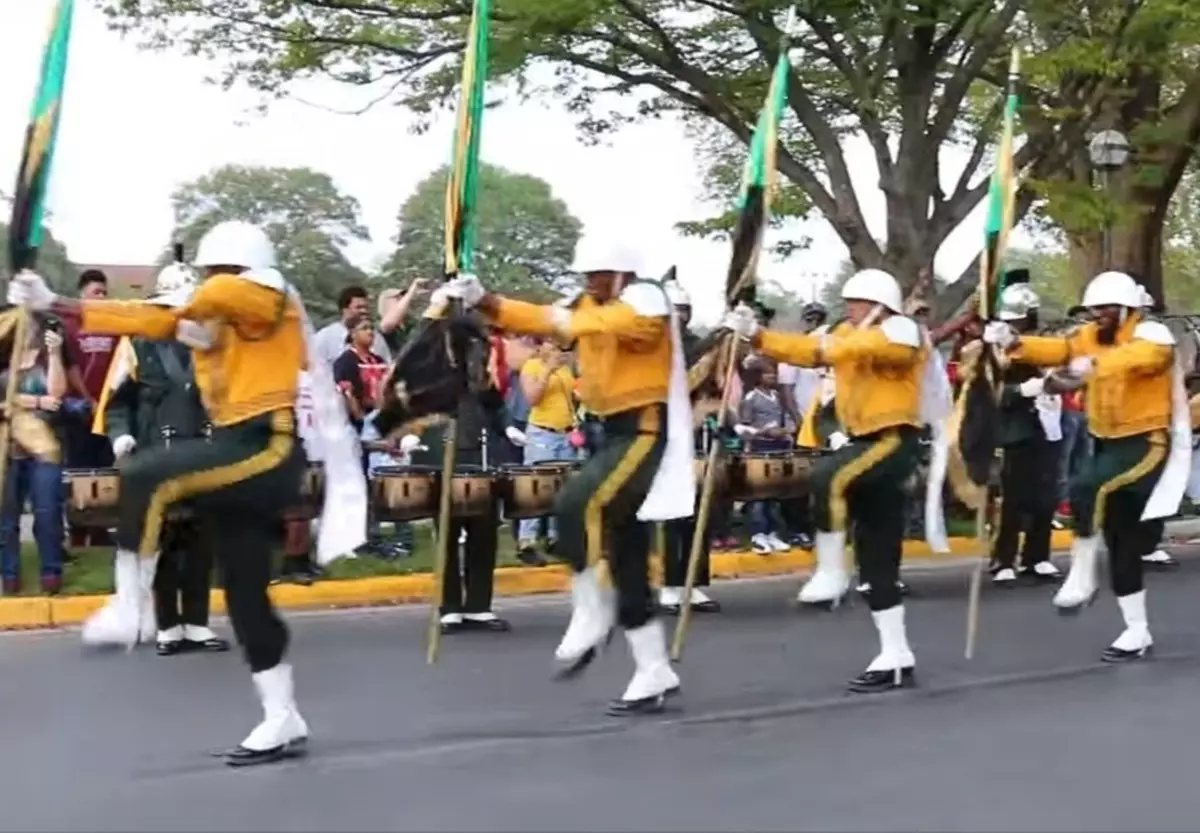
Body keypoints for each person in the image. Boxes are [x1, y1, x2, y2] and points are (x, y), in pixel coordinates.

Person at [9, 219, 366, 766]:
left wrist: (194, 289)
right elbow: (150, 321)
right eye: (208, 272)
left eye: (218, 270)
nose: (212, 279)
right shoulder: (211, 318)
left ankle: (132, 609)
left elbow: (230, 297)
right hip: (234, 450)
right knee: (247, 595)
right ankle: (281, 714)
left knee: (146, 475)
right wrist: (57, 301)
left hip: (267, 445)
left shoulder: (268, 301)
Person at [437, 242, 694, 715]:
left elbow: (597, 324)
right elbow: (543, 318)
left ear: (623, 271)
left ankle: (589, 612)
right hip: (605, 431)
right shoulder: (588, 306)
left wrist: (566, 319)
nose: (590, 281)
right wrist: (485, 301)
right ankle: (653, 666)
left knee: (577, 504)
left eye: (599, 272)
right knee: (625, 553)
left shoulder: (647, 301)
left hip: (643, 428)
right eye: (587, 273)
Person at [722, 269, 932, 693]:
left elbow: (864, 348)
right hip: (863, 443)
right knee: (877, 564)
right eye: (849, 302)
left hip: (893, 441)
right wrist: (759, 335)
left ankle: (832, 571)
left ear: (879, 305)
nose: (849, 309)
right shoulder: (846, 336)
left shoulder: (902, 329)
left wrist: (831, 345)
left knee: (828, 476)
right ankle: (896, 655)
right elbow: (810, 349)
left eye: (856, 302)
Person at [983, 270, 1190, 662]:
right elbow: (1057, 350)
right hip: (1104, 443)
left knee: (1086, 487)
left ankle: (1081, 574)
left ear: (1127, 308)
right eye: (1093, 309)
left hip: (1144, 444)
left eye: (1105, 308)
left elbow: (1132, 361)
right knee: (1120, 542)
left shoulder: (1153, 337)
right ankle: (1136, 630)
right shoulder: (1088, 337)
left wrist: (1086, 367)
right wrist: (1015, 342)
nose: (1096, 315)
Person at [90, 260, 230, 655]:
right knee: (162, 542)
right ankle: (168, 625)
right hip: (156, 452)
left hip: (204, 452)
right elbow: (117, 401)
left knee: (201, 540)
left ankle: (198, 623)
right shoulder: (136, 343)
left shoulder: (212, 341)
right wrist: (121, 436)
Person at [987, 281, 1064, 585]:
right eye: (1013, 321)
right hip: (1012, 429)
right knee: (1011, 499)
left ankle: (1038, 556)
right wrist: (1019, 390)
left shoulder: (1040, 344)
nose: (1017, 325)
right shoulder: (992, 347)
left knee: (1045, 496)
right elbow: (984, 391)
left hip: (1046, 424)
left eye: (1022, 320)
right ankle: (1003, 559)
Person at [659, 279, 719, 614]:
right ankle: (669, 585)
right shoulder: (655, 348)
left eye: (684, 310)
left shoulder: (697, 345)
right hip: (666, 433)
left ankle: (693, 583)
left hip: (696, 435)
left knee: (699, 512)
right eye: (674, 310)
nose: (680, 317)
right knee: (673, 512)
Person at [0, 316, 68, 595]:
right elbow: (44, 400)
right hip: (7, 449)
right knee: (6, 520)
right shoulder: (4, 359)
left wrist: (54, 353)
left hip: (44, 449)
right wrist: (33, 401)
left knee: (48, 514)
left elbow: (57, 394)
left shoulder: (44, 358)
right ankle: (9, 575)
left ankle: (51, 573)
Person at [62, 270, 117, 549]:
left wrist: (106, 401)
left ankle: (100, 529)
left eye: (105, 293)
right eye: (97, 292)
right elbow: (68, 365)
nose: (102, 297)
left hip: (107, 410)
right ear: (82, 292)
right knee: (79, 470)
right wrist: (88, 399)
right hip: (78, 410)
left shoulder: (112, 325)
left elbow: (120, 364)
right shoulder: (70, 324)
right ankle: (78, 529)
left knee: (104, 469)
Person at [515, 338, 579, 562]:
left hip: (566, 432)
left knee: (562, 487)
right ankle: (527, 540)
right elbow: (533, 398)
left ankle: (556, 537)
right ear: (540, 347)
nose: (556, 351)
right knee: (535, 487)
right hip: (543, 433)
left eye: (558, 347)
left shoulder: (565, 369)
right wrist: (547, 371)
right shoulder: (531, 367)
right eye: (551, 346)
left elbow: (572, 395)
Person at [1132, 285, 1178, 569]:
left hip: (1156, 423)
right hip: (1122, 425)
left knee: (1154, 485)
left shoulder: (1158, 342)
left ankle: (1148, 543)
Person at [314, 286, 394, 366]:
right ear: (344, 310)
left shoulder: (375, 337)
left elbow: (387, 366)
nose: (364, 311)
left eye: (366, 307)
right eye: (359, 307)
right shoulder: (325, 337)